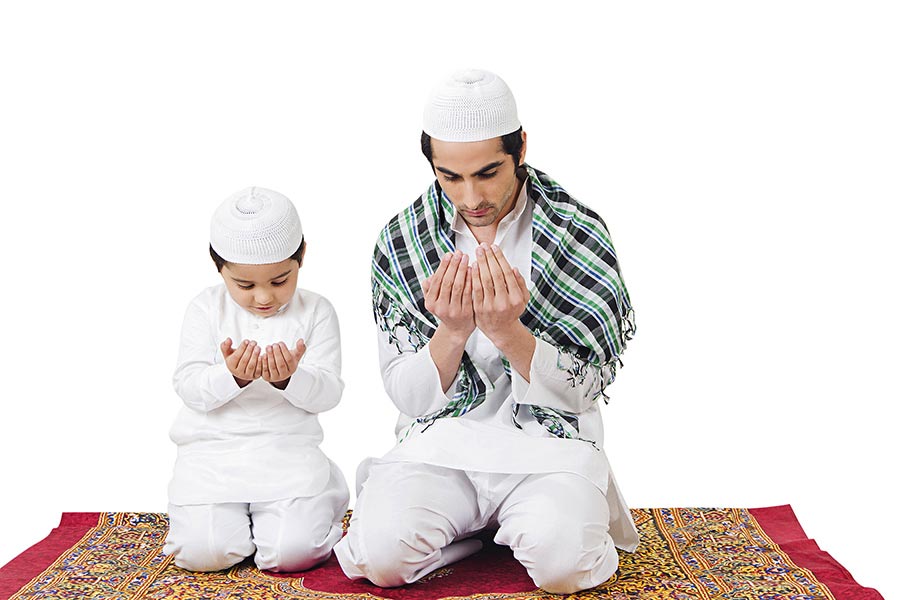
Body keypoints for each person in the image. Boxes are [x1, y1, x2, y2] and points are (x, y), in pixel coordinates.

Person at [333, 70, 639, 595]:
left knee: (564, 570)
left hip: (550, 449)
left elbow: (585, 389)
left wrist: (508, 333)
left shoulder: (577, 232)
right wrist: (450, 335)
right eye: (450, 177)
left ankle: (554, 529)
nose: (470, 196)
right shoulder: (402, 240)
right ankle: (474, 539)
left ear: (520, 146)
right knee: (379, 560)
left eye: (488, 172)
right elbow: (406, 394)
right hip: (441, 445)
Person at [163, 187, 349, 572]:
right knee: (204, 554)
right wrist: (232, 377)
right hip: (212, 456)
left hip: (287, 454)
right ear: (219, 268)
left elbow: (329, 392)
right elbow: (188, 386)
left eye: (280, 280)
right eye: (244, 285)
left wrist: (289, 381)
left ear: (301, 257)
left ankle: (311, 504)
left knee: (292, 555)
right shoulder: (204, 308)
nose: (264, 297)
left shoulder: (316, 310)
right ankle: (232, 524)